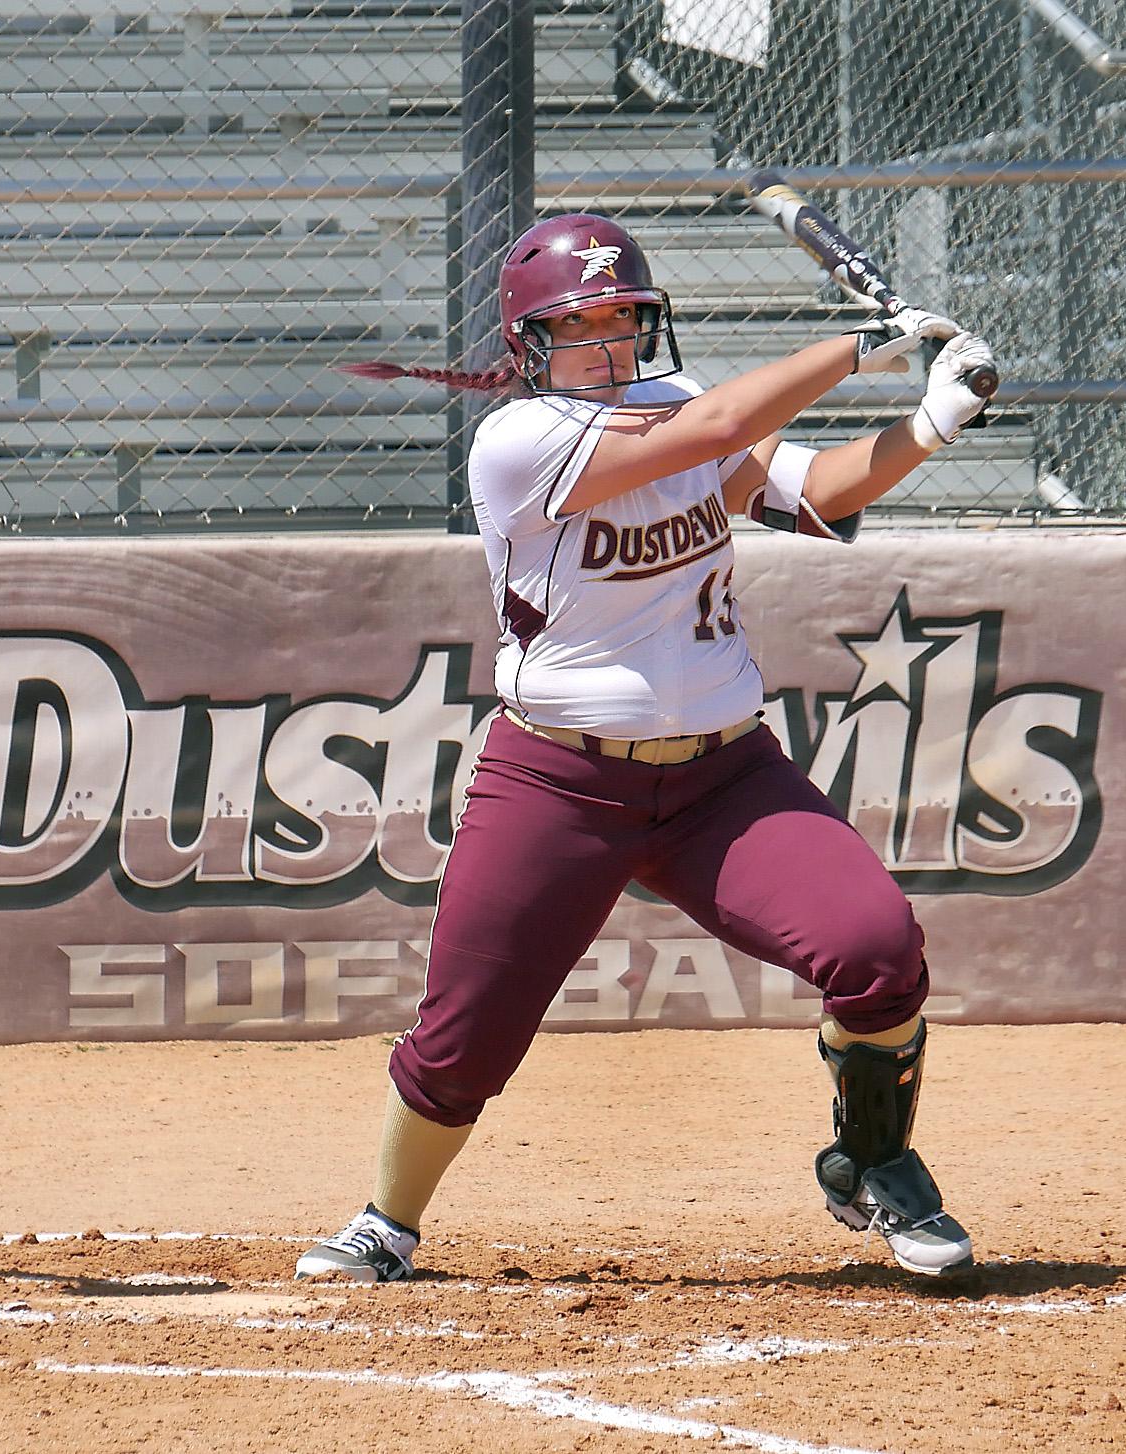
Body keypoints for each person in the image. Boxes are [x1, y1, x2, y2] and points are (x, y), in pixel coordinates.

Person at [298, 213, 996, 1284]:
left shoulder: (678, 405)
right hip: (558, 779)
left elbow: (819, 492)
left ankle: (871, 1160)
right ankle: (386, 1224)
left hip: (724, 776)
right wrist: (859, 347)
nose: (605, 344)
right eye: (577, 326)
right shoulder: (519, 440)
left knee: (875, 946)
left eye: (621, 319)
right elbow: (719, 422)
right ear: (529, 342)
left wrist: (935, 417)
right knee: (465, 1033)